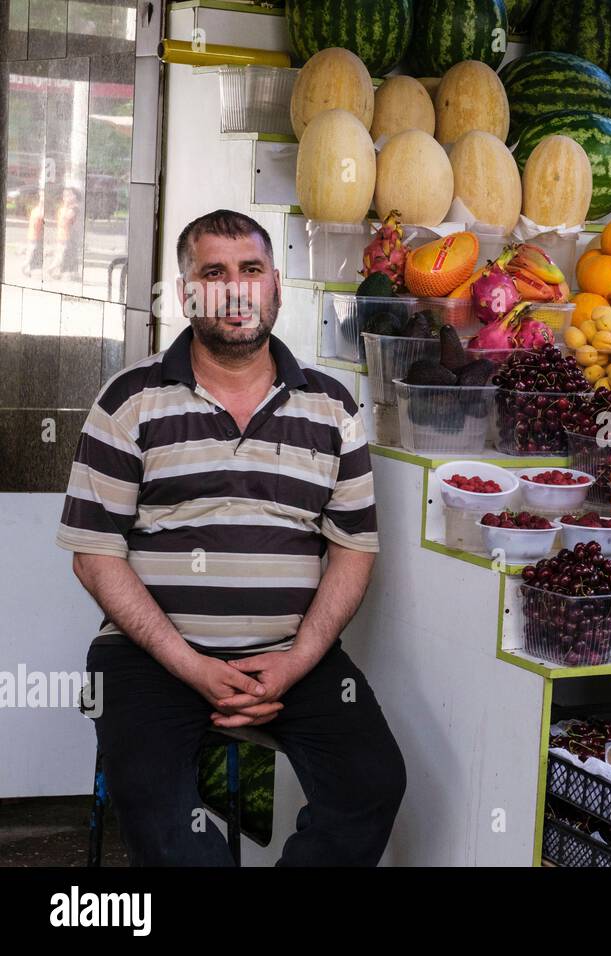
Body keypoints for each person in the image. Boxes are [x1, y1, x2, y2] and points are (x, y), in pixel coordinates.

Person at [57, 209, 406, 866]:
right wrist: (192, 667)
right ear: (186, 292)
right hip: (152, 658)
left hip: (293, 657)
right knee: (165, 825)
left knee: (372, 782)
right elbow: (95, 555)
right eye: (213, 273)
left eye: (251, 270)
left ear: (276, 286)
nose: (236, 289)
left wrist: (294, 664)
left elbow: (353, 550)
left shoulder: (333, 408)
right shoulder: (130, 401)